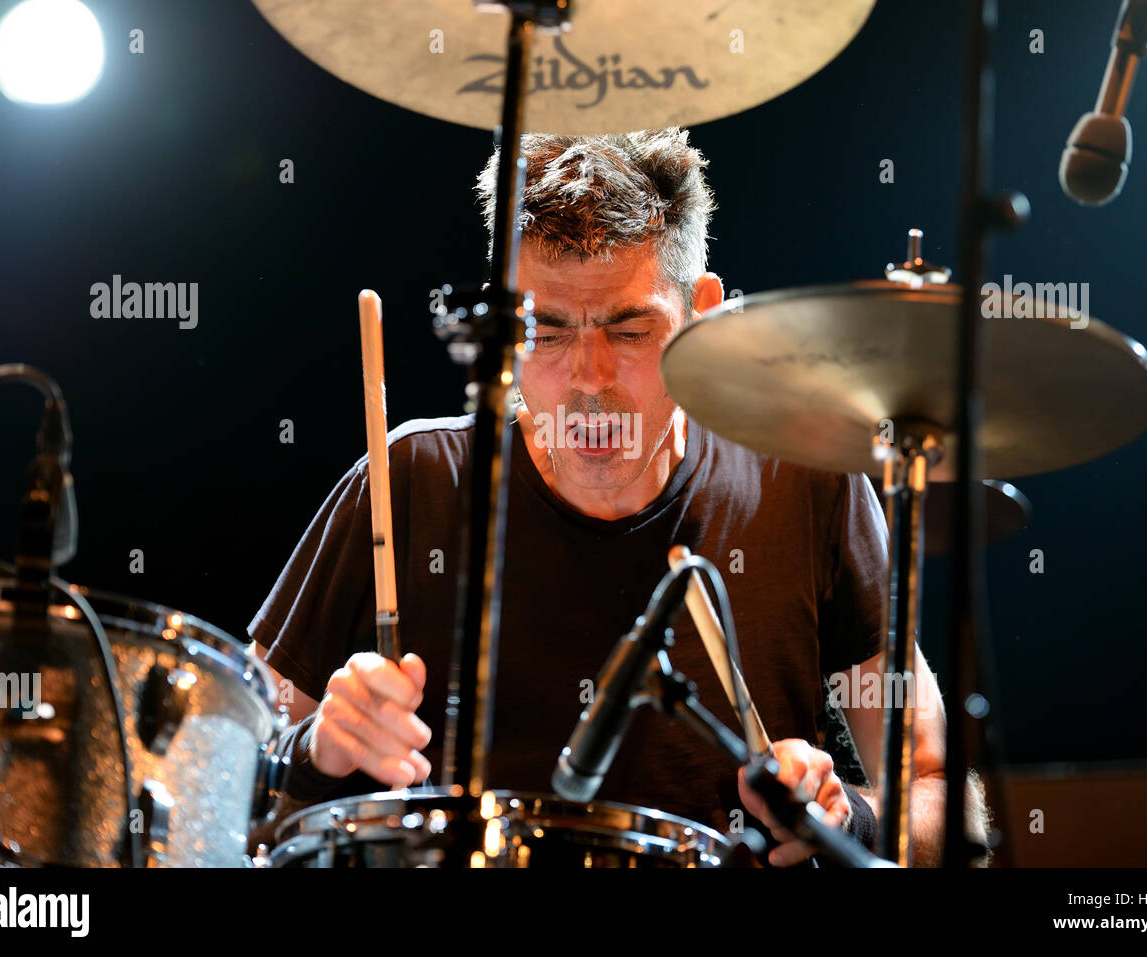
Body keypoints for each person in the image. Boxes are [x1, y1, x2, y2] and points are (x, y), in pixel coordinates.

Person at [247, 128, 988, 867]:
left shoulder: (804, 479)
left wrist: (848, 817)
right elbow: (222, 764)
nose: (588, 377)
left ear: (700, 311)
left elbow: (945, 799)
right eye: (547, 330)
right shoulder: (409, 478)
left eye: (630, 329)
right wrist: (316, 747)